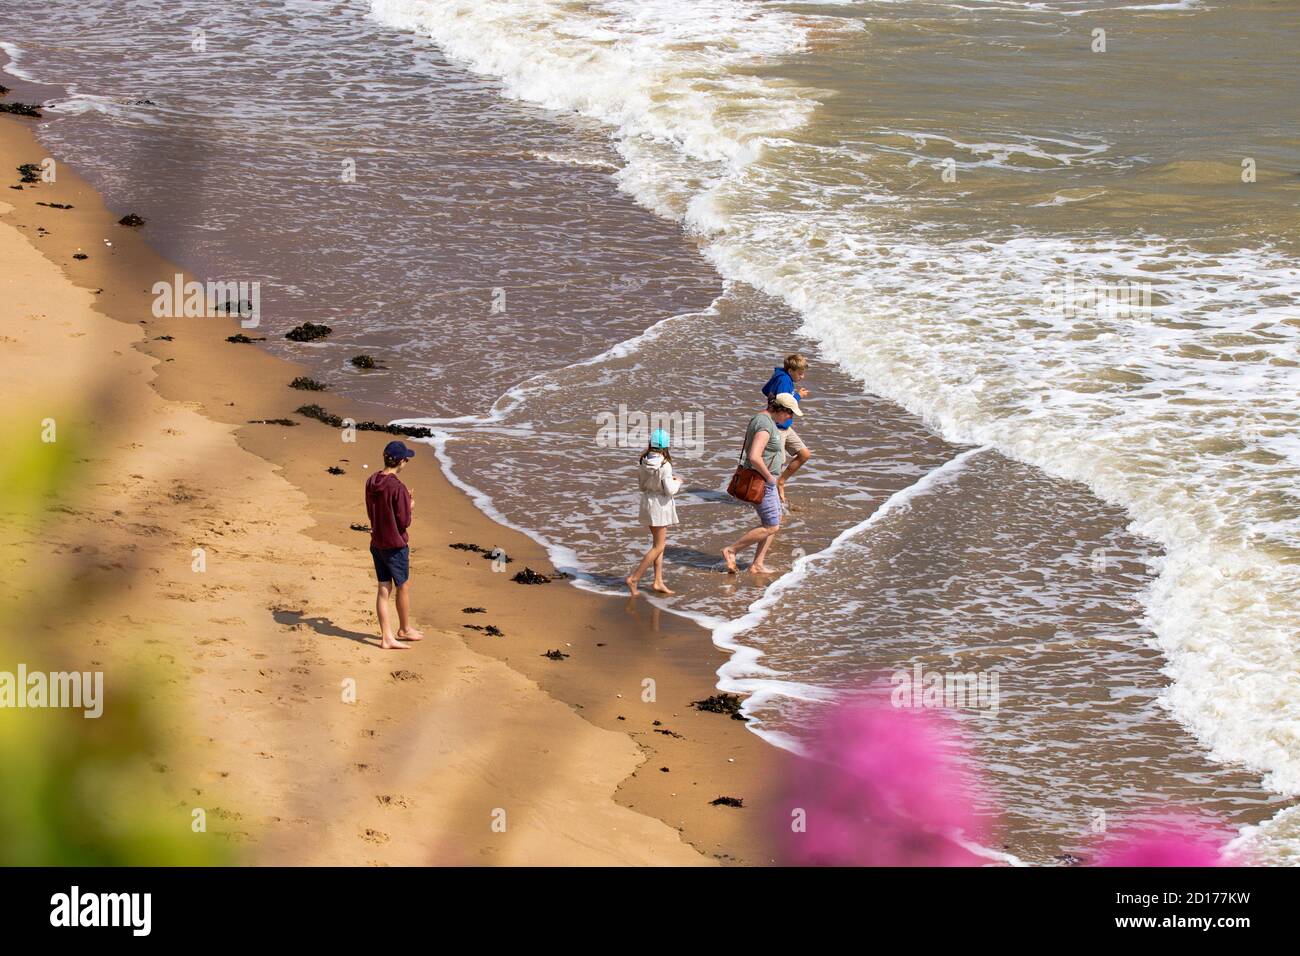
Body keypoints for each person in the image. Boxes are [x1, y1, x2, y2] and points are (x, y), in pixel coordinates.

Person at [723, 393, 801, 574]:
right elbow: (754, 456)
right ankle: (731, 550)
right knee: (772, 525)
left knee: (774, 521)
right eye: (790, 414)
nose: (791, 418)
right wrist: (770, 477)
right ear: (781, 409)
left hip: (764, 480)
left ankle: (757, 564)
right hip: (762, 481)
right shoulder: (765, 425)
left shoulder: (761, 419)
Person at [365, 440, 426, 650]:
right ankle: (404, 628)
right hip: (395, 545)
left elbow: (372, 510)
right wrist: (410, 505)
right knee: (403, 586)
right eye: (406, 459)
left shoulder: (372, 480)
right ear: (401, 461)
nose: (406, 462)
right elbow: (404, 521)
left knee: (383, 588)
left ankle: (386, 636)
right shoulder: (397, 487)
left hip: (377, 542)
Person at [626, 428, 683, 597]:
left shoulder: (643, 461)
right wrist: (678, 481)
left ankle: (658, 581)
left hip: (647, 503)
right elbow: (670, 491)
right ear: (666, 445)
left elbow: (642, 486)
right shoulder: (665, 465)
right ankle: (634, 578)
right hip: (660, 506)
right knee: (659, 546)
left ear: (650, 444)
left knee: (658, 545)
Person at [761, 353, 813, 503]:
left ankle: (780, 482)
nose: (802, 377)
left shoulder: (780, 376)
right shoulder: (784, 380)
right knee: (778, 463)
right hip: (778, 427)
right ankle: (770, 497)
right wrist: (798, 396)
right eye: (800, 373)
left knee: (804, 454)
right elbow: (783, 404)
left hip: (786, 427)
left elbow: (765, 390)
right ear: (790, 371)